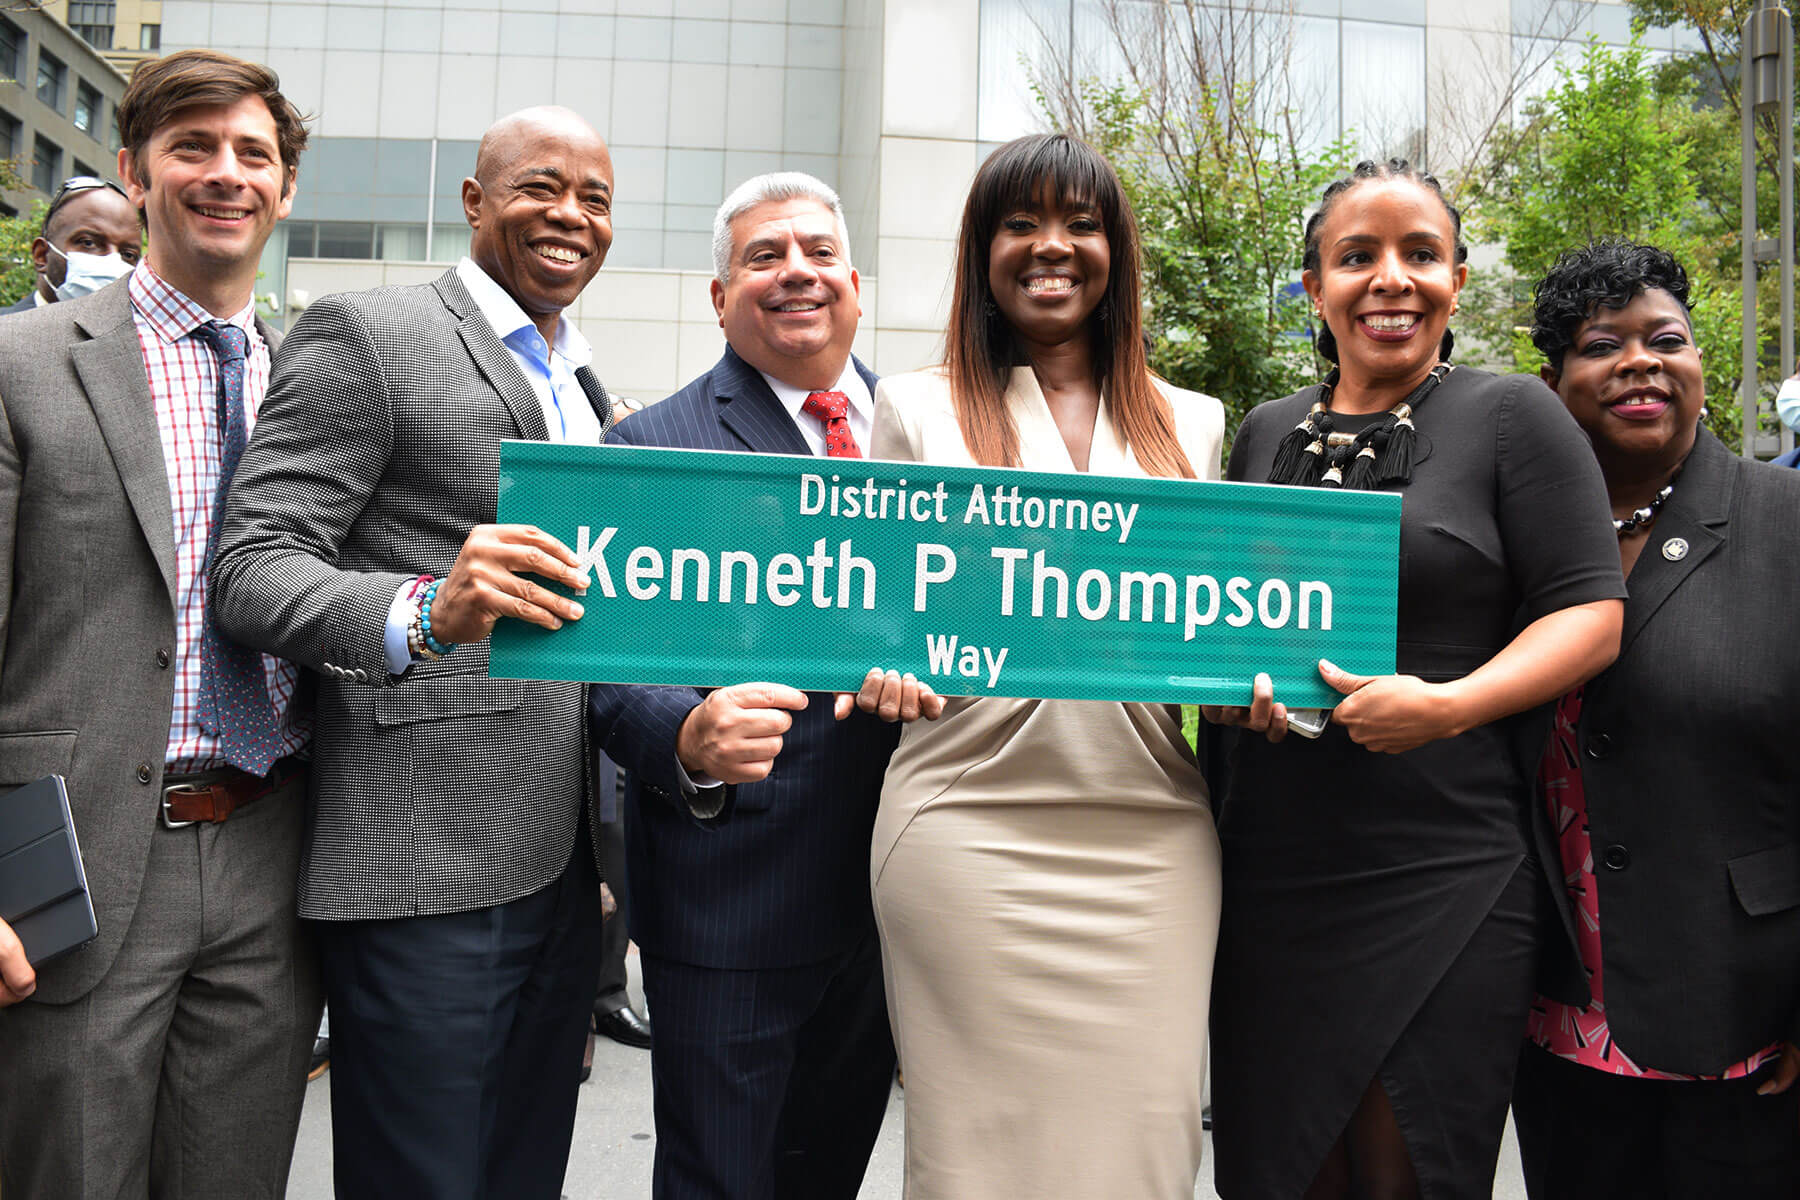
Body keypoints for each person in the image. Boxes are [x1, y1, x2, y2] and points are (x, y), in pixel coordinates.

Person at [210, 106, 616, 1199]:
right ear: (475, 200)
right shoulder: (367, 332)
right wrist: (427, 610)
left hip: (564, 864)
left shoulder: (584, 385)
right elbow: (253, 569)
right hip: (422, 861)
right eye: (541, 186)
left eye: (596, 199)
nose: (571, 215)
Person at [1204, 158, 1627, 1200]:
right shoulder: (1264, 431)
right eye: (1357, 257)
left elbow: (1590, 615)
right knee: (1280, 1168)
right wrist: (1233, 692)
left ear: (1458, 279)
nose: (1390, 278)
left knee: (1411, 1178)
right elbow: (1227, 627)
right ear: (1313, 287)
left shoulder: (1513, 418)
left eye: (1420, 254)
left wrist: (1448, 706)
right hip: (1273, 881)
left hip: (1444, 875)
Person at [866, 133, 1223, 1198]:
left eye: (1079, 222)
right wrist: (886, 670)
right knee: (977, 1157)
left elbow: (1220, 623)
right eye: (1020, 223)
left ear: (1116, 248)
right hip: (965, 821)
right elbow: (878, 621)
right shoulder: (914, 410)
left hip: (1151, 827)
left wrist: (1258, 694)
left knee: (1151, 1147)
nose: (1051, 246)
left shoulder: (1197, 425)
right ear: (984, 251)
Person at [0, 49, 320, 1198]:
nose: (226, 175)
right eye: (195, 148)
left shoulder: (315, 384)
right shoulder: (21, 364)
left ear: (285, 189)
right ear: (135, 172)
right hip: (66, 864)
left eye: (254, 155)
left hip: (273, 854)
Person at [591, 171, 935, 1200]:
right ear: (719, 294)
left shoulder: (932, 437)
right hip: (734, 900)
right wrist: (688, 730)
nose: (798, 273)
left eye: (819, 253)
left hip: (900, 896)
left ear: (856, 284)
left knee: (825, 1178)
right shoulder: (650, 447)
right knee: (721, 1183)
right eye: (764, 256)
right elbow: (601, 670)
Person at [1512, 238, 1800, 1197]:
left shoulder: (1786, 522)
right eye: (1602, 345)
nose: (1640, 361)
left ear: (1700, 369)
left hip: (1746, 1014)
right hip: (1553, 1024)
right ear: (1551, 387)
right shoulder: (1510, 547)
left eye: (1665, 338)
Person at [0, 174, 141, 315]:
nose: (113, 263)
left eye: (128, 255)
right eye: (88, 243)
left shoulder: (139, 335)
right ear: (41, 255)